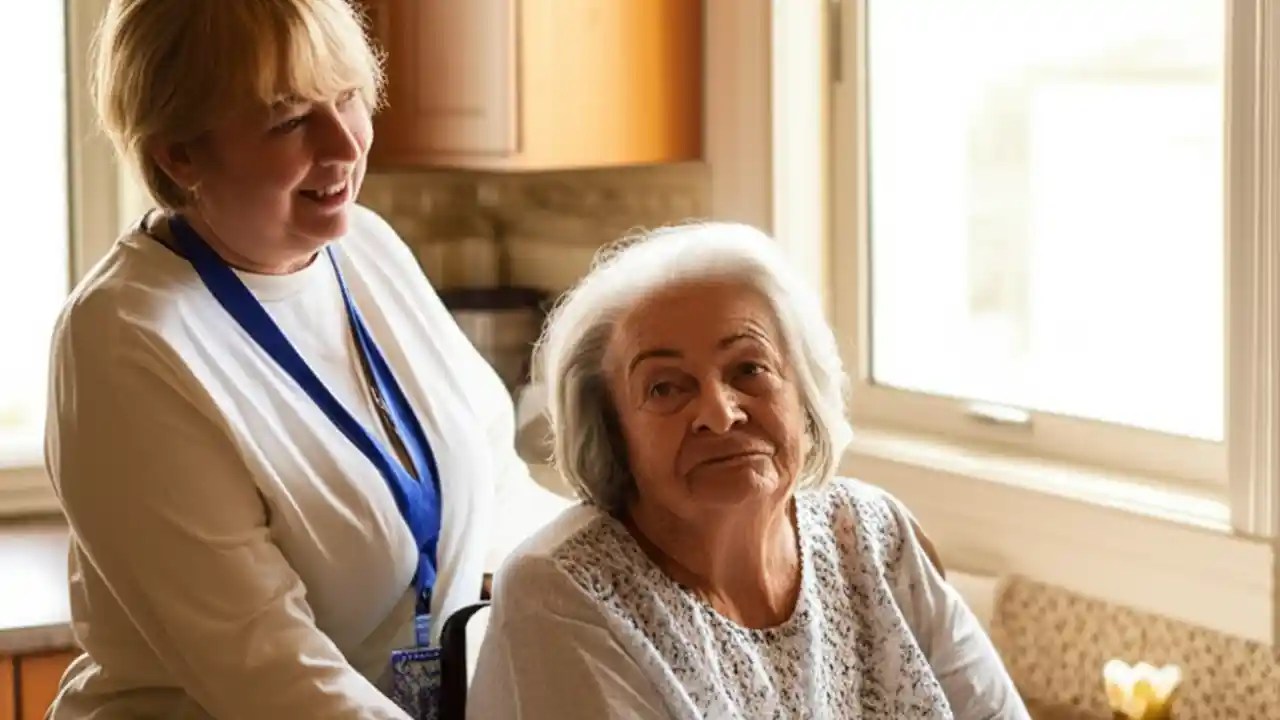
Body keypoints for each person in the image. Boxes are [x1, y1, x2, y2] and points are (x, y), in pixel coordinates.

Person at [44, 1, 564, 717]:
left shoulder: (365, 248)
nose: (345, 145)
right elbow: (273, 673)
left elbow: (495, 489)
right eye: (289, 119)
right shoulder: (125, 338)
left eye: (348, 96)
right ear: (179, 151)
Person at [469, 222, 1031, 719]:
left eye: (749, 368)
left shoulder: (872, 535)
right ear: (614, 430)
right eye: (665, 387)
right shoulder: (563, 593)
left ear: (803, 393)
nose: (719, 412)